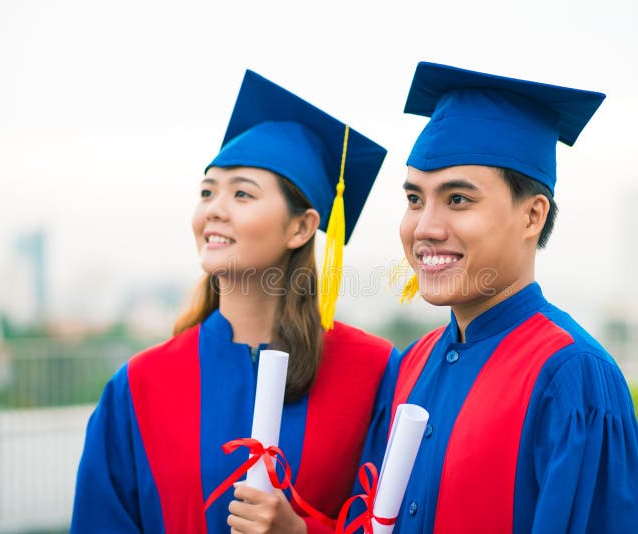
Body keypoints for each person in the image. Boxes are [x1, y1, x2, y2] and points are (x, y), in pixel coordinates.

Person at [71, 69, 397, 534]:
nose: (214, 209)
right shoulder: (140, 385)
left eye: (242, 193)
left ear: (301, 228)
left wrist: (302, 532)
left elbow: (398, 520)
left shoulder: (372, 371)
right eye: (207, 192)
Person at [358, 62, 638, 533]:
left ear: (532, 216)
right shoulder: (412, 363)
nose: (425, 228)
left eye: (457, 199)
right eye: (415, 199)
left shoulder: (572, 378)